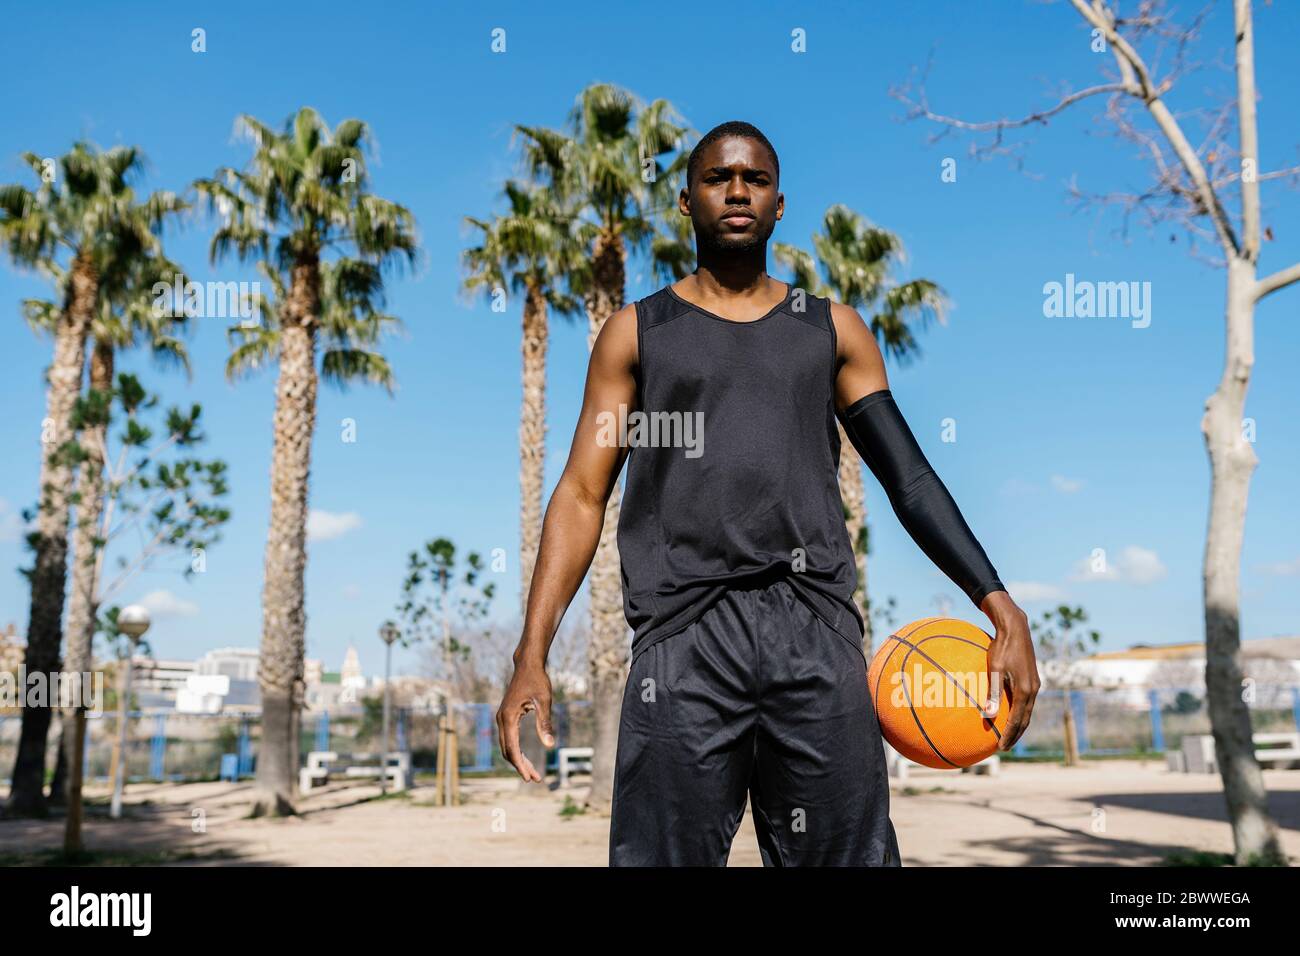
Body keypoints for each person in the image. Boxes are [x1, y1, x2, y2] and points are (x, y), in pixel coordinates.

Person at [497, 120, 1040, 866]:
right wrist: (533, 650)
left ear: (779, 203)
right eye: (719, 178)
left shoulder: (831, 331)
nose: (738, 191)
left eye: (754, 179)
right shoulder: (635, 335)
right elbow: (583, 493)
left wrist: (997, 600)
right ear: (686, 201)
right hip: (682, 642)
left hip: (814, 634)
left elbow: (908, 476)